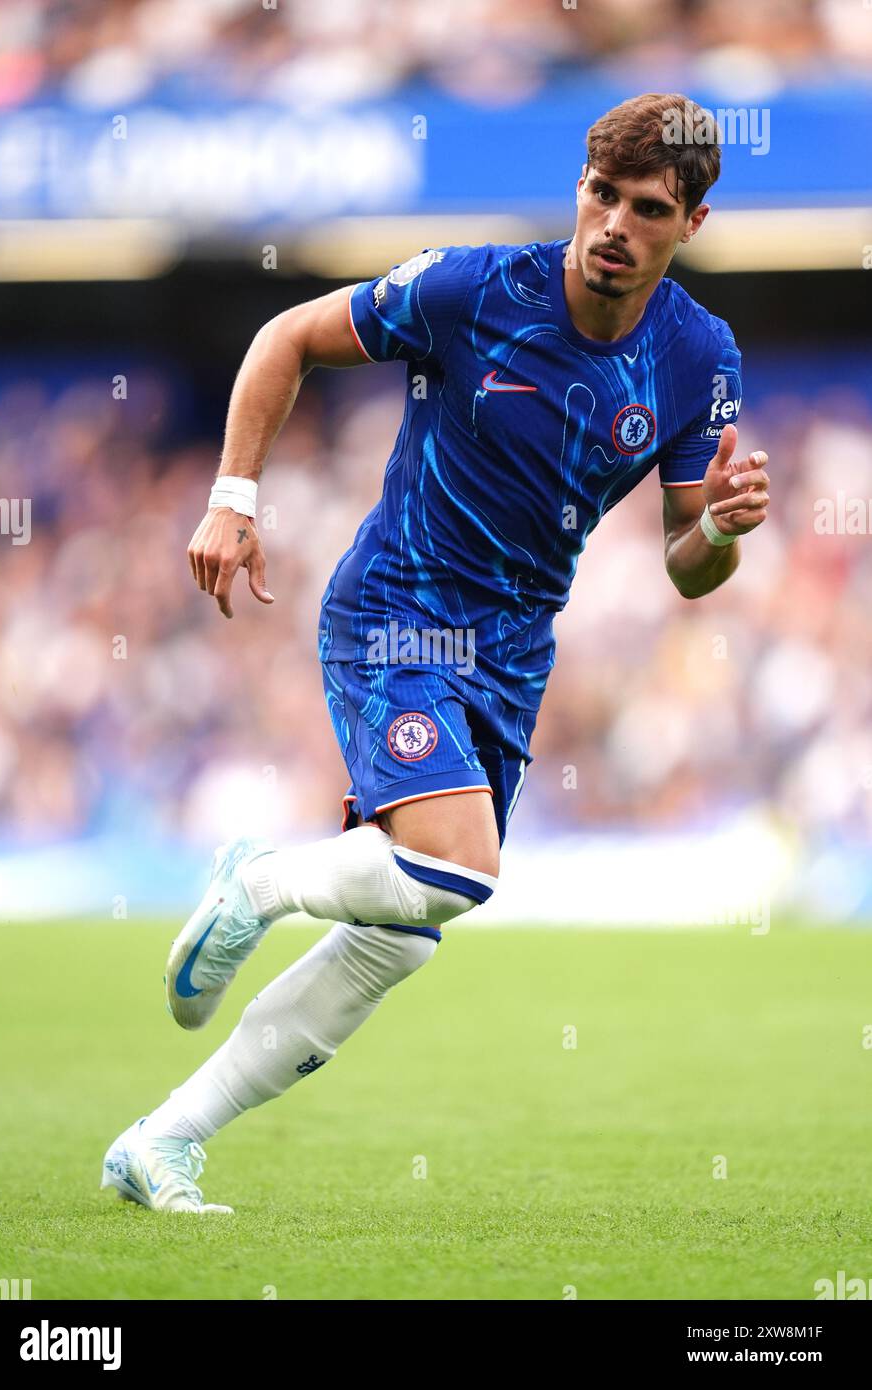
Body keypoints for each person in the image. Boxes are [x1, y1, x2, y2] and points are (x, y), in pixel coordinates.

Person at [101, 92, 770, 1212]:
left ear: (687, 224)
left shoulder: (698, 356)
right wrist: (231, 498)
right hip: (394, 614)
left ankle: (161, 1141)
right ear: (578, 189)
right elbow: (288, 337)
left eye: (645, 207)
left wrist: (721, 530)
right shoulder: (471, 289)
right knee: (455, 871)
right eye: (598, 195)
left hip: (509, 654)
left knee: (400, 935)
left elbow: (683, 561)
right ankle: (258, 879)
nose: (612, 224)